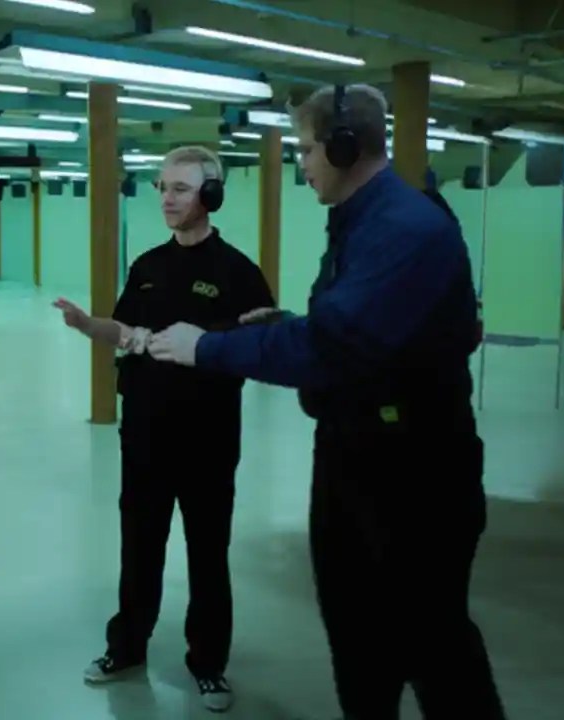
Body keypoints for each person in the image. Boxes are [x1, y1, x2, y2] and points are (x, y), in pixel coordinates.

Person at [145, 85, 506, 720]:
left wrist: (208, 348)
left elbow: (333, 347)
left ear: (345, 146)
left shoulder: (405, 227)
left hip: (413, 468)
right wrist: (280, 324)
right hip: (355, 452)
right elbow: (355, 328)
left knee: (432, 645)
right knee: (358, 639)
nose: (302, 162)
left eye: (307, 148)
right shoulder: (359, 221)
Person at [54, 145, 275, 713]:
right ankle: (125, 648)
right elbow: (125, 328)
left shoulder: (239, 273)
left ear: (211, 195)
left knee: (207, 552)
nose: (167, 199)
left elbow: (260, 348)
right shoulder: (147, 266)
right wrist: (86, 324)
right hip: (146, 434)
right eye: (161, 187)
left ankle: (208, 664)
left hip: (208, 437)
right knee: (140, 546)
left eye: (179, 188)